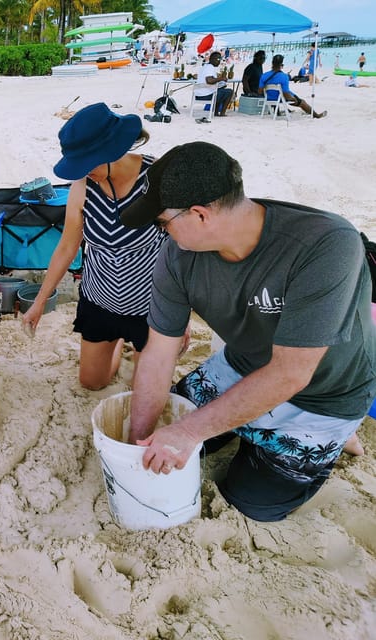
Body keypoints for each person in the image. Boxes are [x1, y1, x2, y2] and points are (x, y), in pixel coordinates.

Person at [118, 141, 375, 522]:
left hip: (325, 393)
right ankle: (250, 427)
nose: (162, 233)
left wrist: (189, 433)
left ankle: (337, 437)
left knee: (249, 503)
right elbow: (159, 350)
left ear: (200, 215)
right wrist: (136, 444)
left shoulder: (327, 243)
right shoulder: (177, 255)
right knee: (167, 428)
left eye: (163, 223)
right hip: (242, 365)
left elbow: (291, 372)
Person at [21, 104, 167, 390]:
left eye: (89, 164)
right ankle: (117, 342)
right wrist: (39, 302)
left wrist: (181, 316)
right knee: (91, 383)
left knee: (145, 389)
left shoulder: (157, 177)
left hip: (151, 308)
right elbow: (66, 247)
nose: (85, 172)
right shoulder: (83, 185)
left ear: (112, 151)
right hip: (100, 301)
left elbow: (183, 249)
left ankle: (134, 345)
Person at [259, 54, 327, 118]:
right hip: (281, 99)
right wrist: (292, 99)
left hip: (268, 98)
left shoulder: (264, 75)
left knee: (280, 93)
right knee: (302, 102)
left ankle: (278, 111)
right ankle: (316, 115)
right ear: (281, 65)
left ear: (272, 63)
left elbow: (260, 91)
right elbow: (285, 94)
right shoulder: (284, 77)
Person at [195, 51, 233, 117]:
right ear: (212, 59)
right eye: (218, 59)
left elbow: (209, 80)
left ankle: (216, 112)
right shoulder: (210, 67)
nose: (219, 61)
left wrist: (218, 80)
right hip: (206, 95)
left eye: (220, 59)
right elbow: (209, 80)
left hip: (198, 94)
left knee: (221, 90)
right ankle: (222, 113)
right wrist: (221, 78)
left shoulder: (205, 66)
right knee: (229, 92)